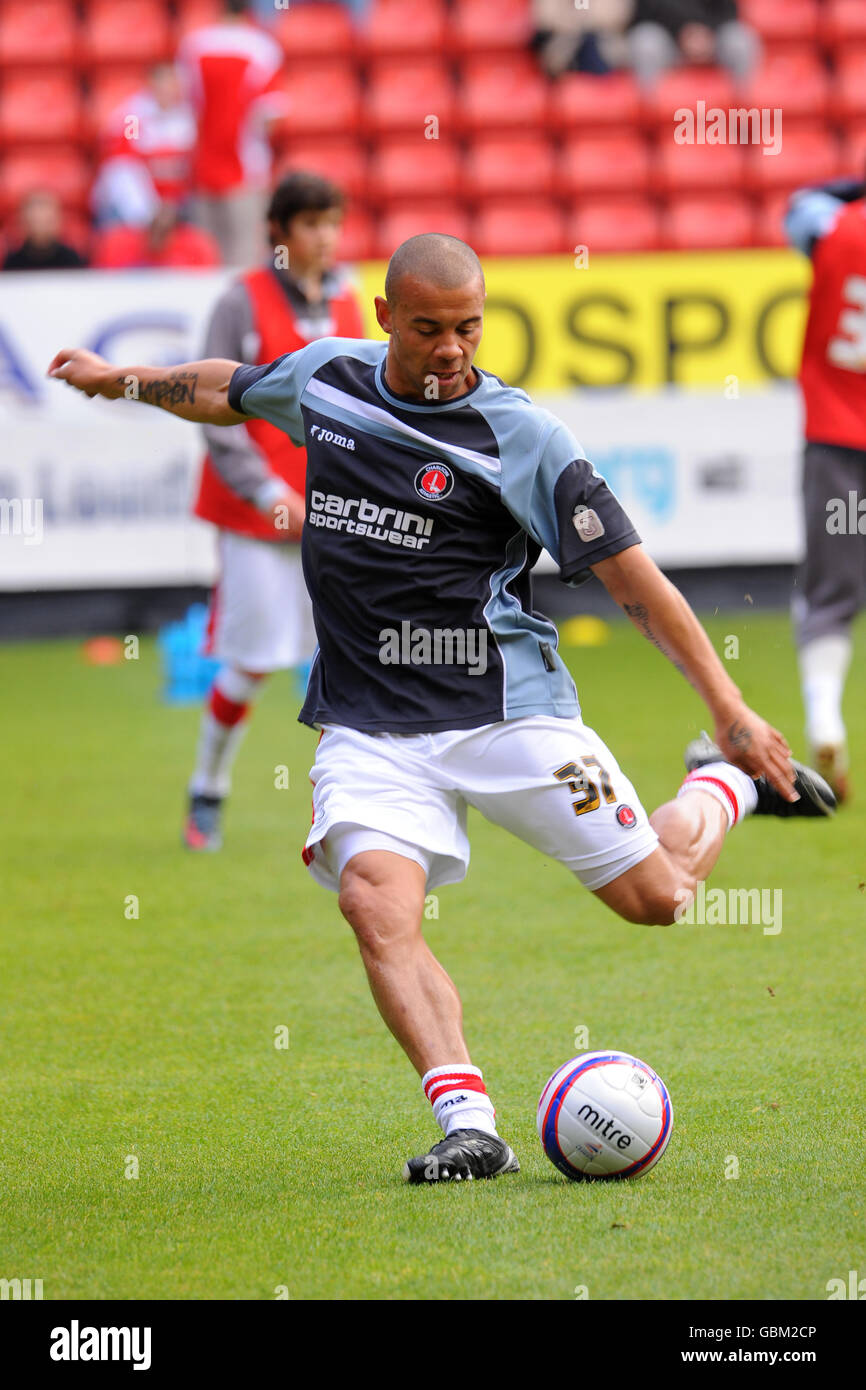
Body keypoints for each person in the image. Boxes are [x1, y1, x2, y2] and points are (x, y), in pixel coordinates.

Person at [47, 233, 834, 1185]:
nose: (452, 348)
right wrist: (117, 383)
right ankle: (472, 1124)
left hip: (510, 713)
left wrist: (735, 711)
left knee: (659, 899)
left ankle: (719, 780)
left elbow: (637, 583)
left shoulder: (525, 438)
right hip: (370, 726)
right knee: (374, 902)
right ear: (385, 319)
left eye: (468, 328)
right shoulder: (328, 382)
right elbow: (225, 386)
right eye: (428, 329)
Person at [184, 171, 364, 851]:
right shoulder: (241, 300)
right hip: (257, 521)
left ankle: (339, 813)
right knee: (252, 663)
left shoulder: (352, 296)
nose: (325, 237)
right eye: (312, 224)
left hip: (336, 521)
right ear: (279, 233)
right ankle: (208, 788)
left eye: (333, 222)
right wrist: (267, 491)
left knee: (349, 668)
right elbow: (210, 407)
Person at [784, 176, 866, 803]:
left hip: (839, 438)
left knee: (830, 597)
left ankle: (824, 714)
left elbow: (800, 208)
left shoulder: (831, 228)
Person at [176, 0, 288, 267]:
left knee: (205, 258)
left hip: (201, 166)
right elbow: (271, 116)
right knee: (245, 257)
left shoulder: (193, 45)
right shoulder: (262, 47)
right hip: (244, 168)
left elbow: (182, 104)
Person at [90, 63, 197, 231]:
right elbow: (123, 168)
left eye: (172, 84)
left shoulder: (190, 116)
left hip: (178, 204)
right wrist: (146, 214)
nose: (167, 90)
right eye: (162, 83)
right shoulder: (132, 117)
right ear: (151, 84)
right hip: (138, 204)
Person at [628, 0, 760, 88]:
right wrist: (682, 32)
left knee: (740, 38)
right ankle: (651, 120)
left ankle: (743, 117)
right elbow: (643, 14)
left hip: (712, 40)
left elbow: (729, 11)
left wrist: (706, 33)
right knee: (645, 41)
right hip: (670, 43)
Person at [3, 191, 86, 271]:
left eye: (47, 221)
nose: (40, 226)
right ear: (23, 222)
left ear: (58, 221)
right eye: (35, 221)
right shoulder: (13, 262)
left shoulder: (71, 260)